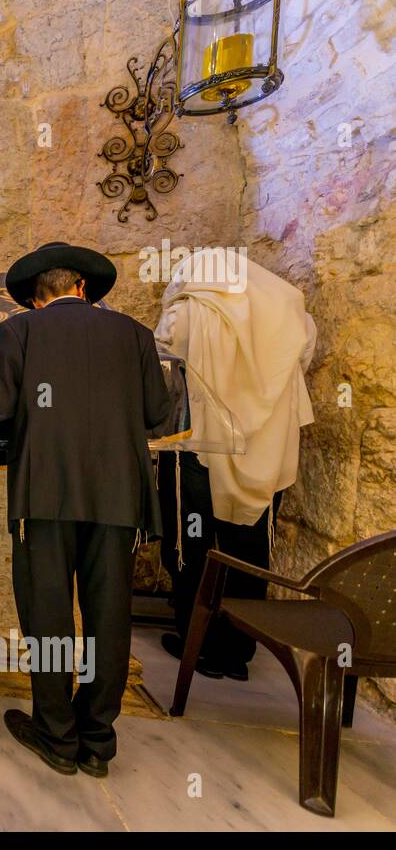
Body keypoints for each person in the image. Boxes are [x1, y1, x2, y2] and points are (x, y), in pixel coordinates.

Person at [0, 242, 170, 778]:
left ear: (35, 299)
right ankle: (97, 739)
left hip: (45, 497)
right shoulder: (134, 334)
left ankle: (56, 733)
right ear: (82, 287)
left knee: (49, 616)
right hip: (118, 497)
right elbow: (159, 412)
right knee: (110, 617)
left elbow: (1, 410)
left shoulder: (18, 332)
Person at [153, 253, 316, 680]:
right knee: (250, 549)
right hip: (266, 450)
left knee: (192, 545)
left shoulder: (185, 313)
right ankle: (239, 648)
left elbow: (163, 372)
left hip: (197, 449)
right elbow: (300, 364)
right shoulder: (290, 313)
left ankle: (196, 641)